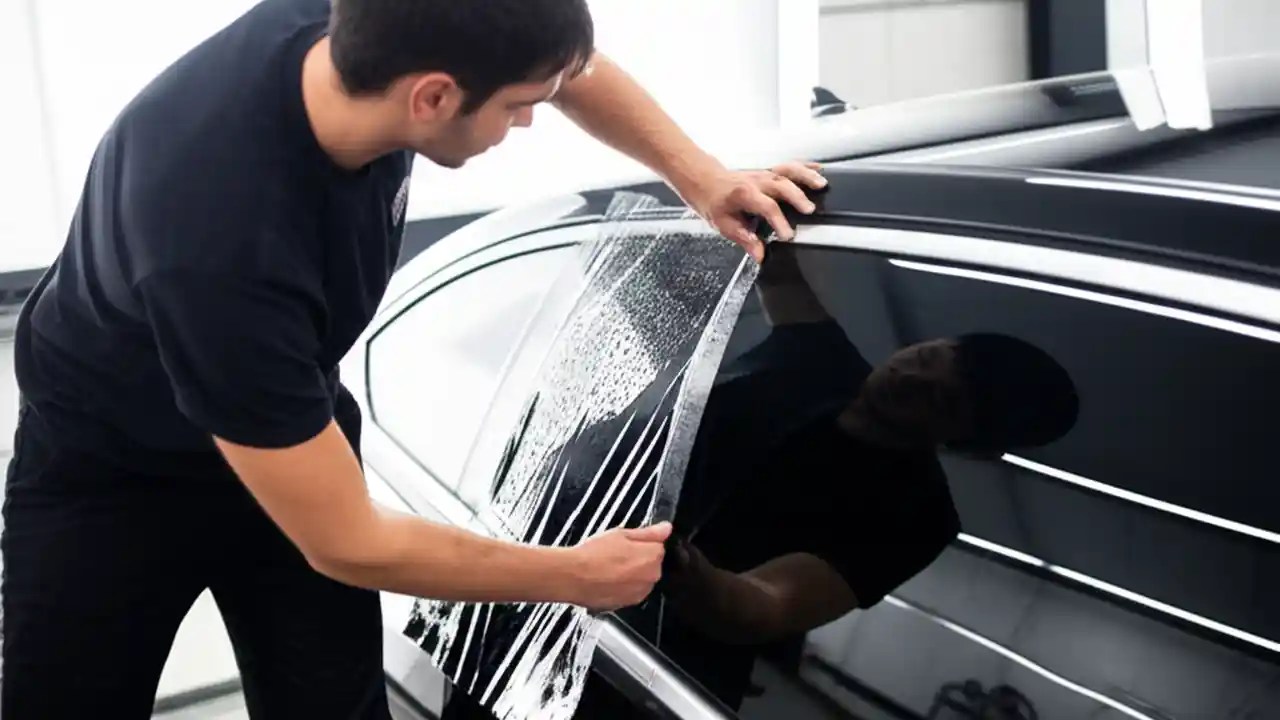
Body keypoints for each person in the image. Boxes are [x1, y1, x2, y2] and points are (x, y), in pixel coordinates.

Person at [0, 0, 828, 717]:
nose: (530, 121)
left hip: (295, 426)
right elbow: (344, 541)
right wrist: (569, 576)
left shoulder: (381, 28)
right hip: (111, 477)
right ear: (432, 96)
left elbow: (559, 61)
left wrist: (701, 177)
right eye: (515, 107)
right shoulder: (217, 239)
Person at [578, 243, 1080, 713]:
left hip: (638, 663)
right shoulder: (821, 355)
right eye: (928, 357)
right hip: (573, 532)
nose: (909, 378)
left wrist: (684, 569)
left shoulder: (917, 516)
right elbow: (774, 262)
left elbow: (769, 603)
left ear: (965, 443)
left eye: (940, 400)